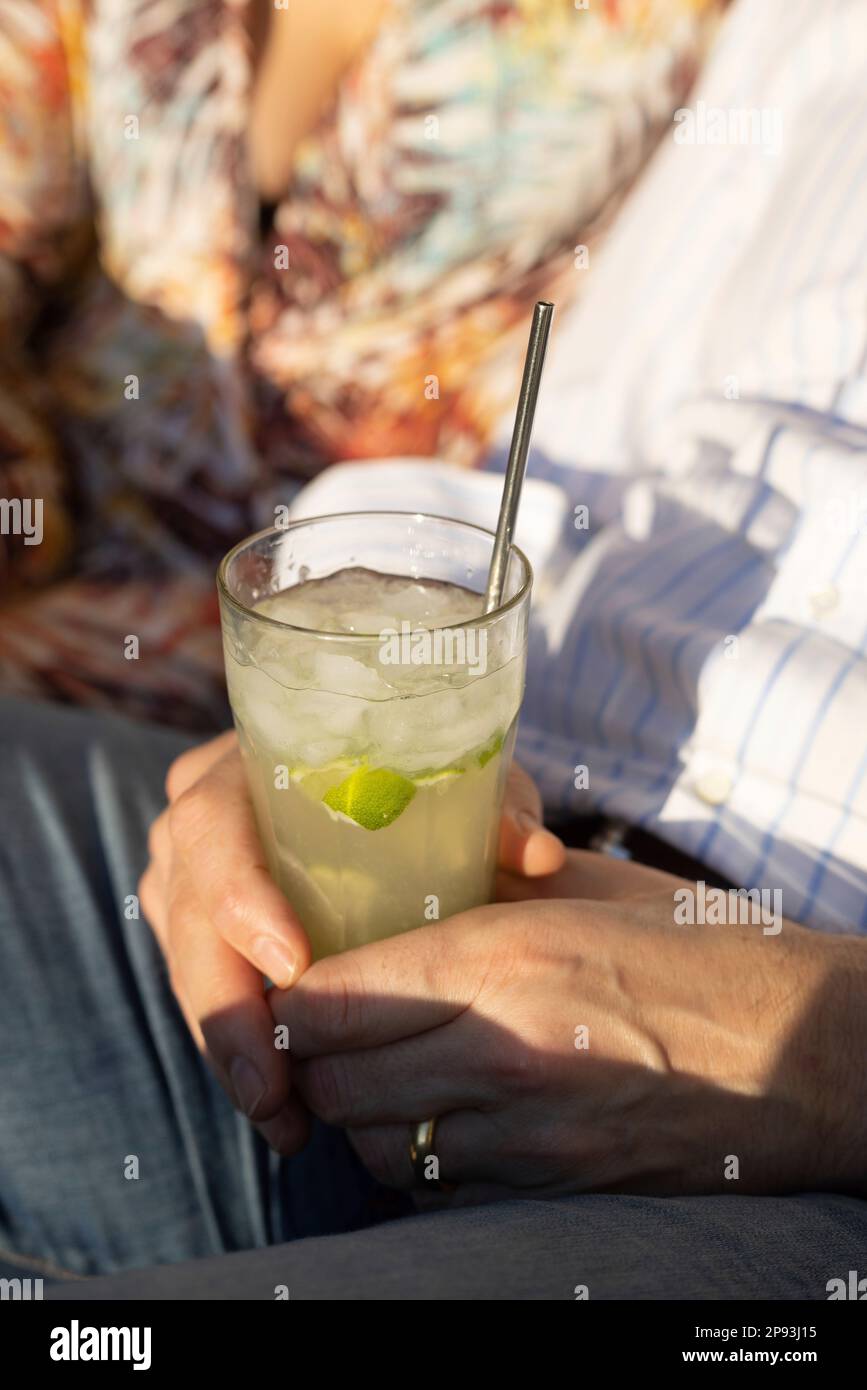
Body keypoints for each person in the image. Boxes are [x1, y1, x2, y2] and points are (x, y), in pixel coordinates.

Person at [2, 0, 867, 1299]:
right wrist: (337, 657)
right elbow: (535, 473)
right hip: (463, 838)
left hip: (783, 1143)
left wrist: (818, 1055)